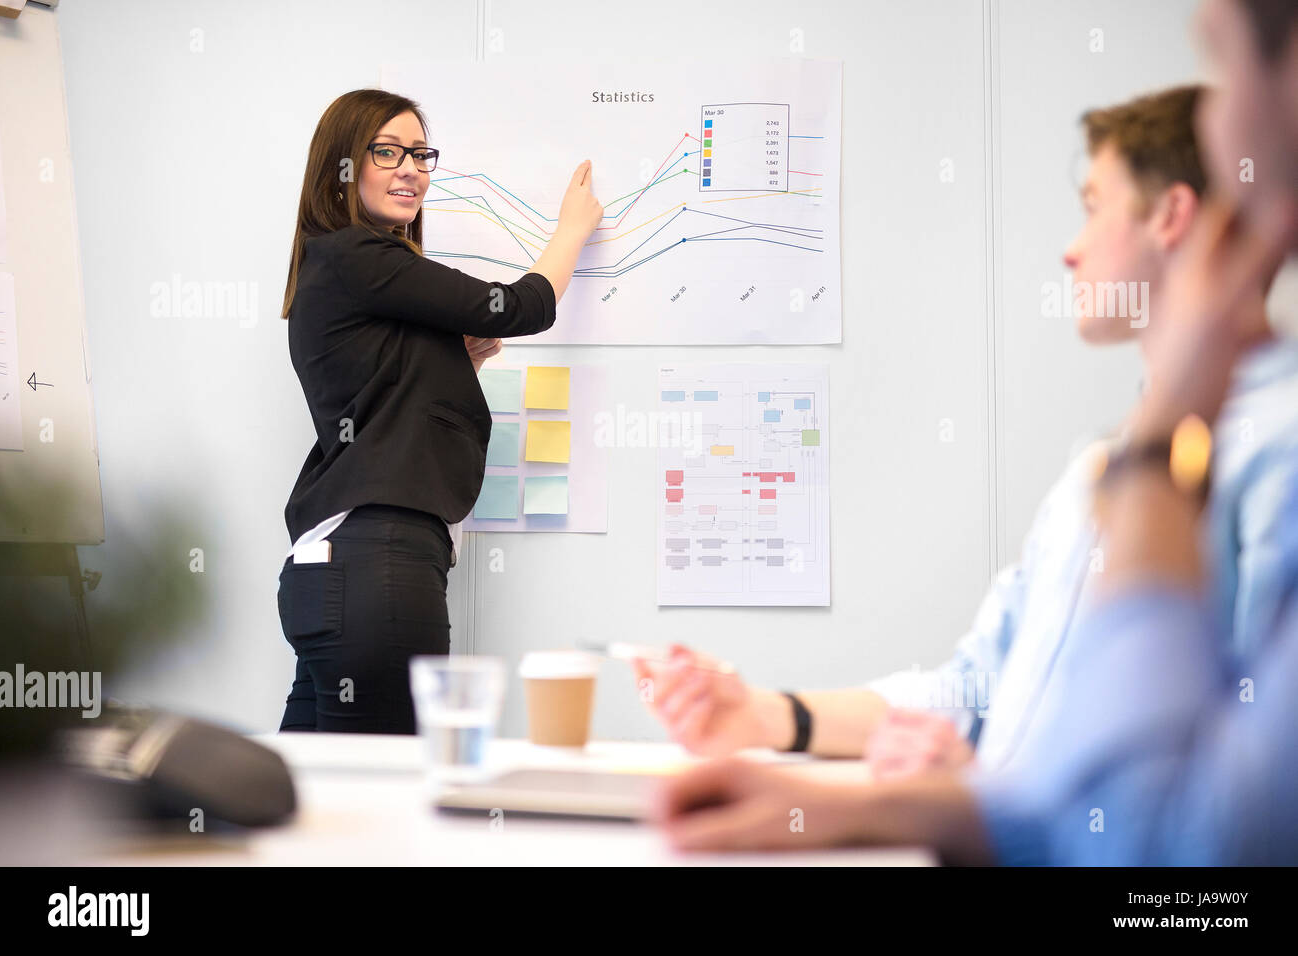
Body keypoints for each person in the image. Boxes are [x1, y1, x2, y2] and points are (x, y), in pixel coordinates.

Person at [650, 0, 1298, 863]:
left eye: (1092, 203)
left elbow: (1199, 843)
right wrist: (771, 718)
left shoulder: (1273, 453)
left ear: (1172, 216)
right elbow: (974, 687)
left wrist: (975, 788)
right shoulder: (1097, 475)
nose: (1069, 251)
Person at [276, 89, 603, 733]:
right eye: (387, 151)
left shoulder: (338, 273)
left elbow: (388, 403)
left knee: (319, 796)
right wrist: (569, 232)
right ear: (342, 164)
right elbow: (519, 306)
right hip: (380, 563)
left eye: (420, 153)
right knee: (388, 799)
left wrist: (465, 363)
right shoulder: (360, 255)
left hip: (330, 573)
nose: (411, 169)